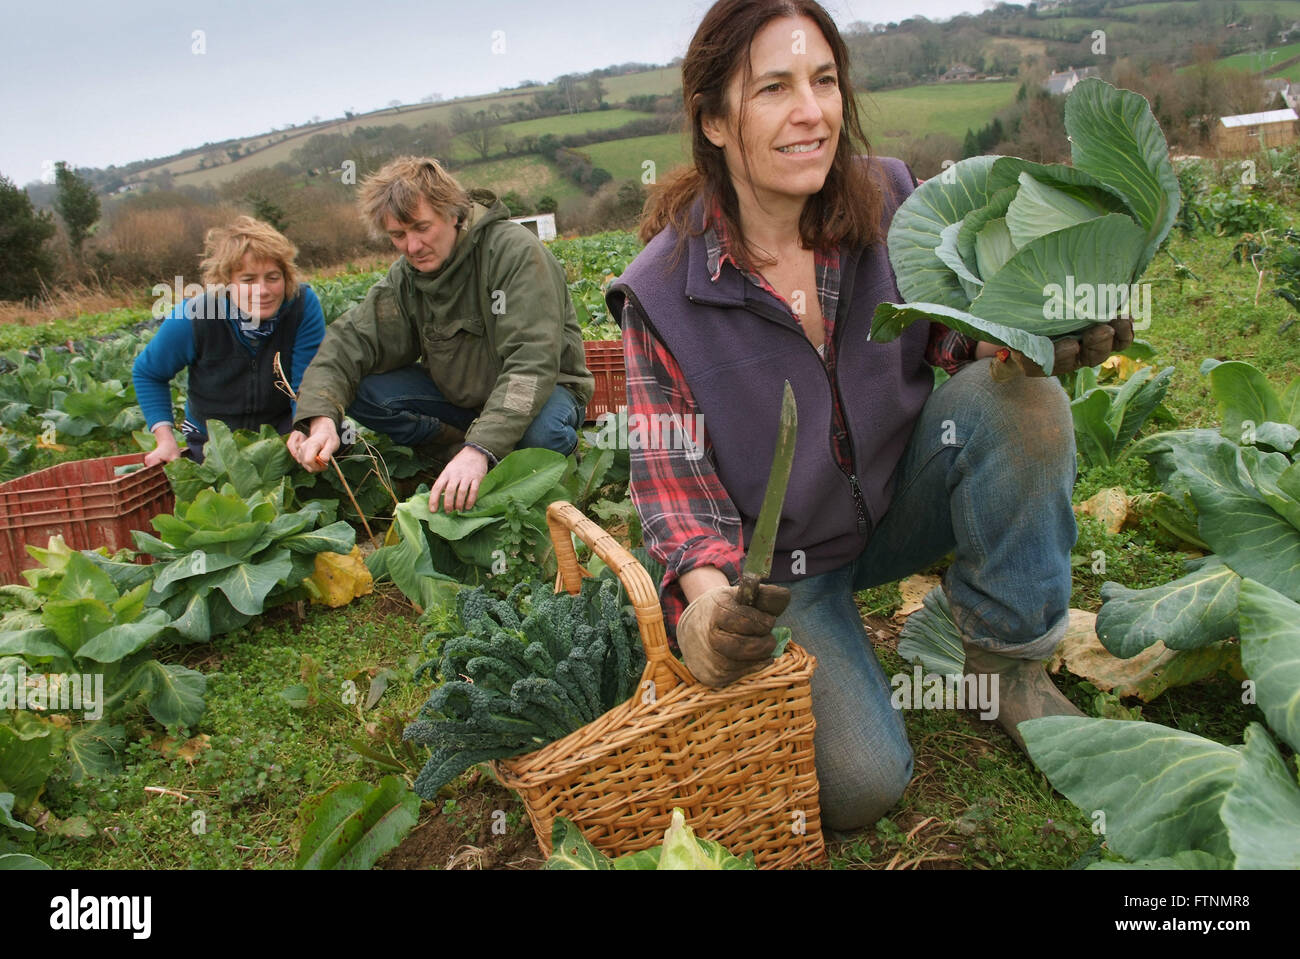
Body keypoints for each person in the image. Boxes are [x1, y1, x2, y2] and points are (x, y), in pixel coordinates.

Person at [605, 0, 1133, 832]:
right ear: (711, 120)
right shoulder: (663, 293)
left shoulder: (890, 199)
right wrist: (708, 609)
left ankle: (1006, 664)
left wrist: (1043, 331)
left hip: (898, 497)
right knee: (860, 785)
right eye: (773, 89)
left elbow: (965, 346)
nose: (810, 112)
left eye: (823, 80)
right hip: (784, 574)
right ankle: (843, 639)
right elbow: (677, 495)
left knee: (1023, 401)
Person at [288, 157, 594, 514]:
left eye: (422, 228)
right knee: (365, 390)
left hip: (544, 391)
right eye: (398, 235)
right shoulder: (407, 277)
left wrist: (481, 448)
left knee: (539, 438)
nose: (412, 247)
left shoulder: (514, 253)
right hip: (466, 404)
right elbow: (348, 343)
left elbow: (532, 365)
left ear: (454, 214)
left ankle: (521, 459)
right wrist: (321, 419)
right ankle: (455, 453)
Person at [133, 216, 326, 466]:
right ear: (227, 282)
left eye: (273, 277)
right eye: (248, 280)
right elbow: (149, 372)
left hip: (281, 429)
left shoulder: (302, 306)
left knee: (331, 445)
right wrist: (165, 438)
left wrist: (303, 428)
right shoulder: (194, 317)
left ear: (286, 277)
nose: (263, 290)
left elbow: (307, 380)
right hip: (213, 439)